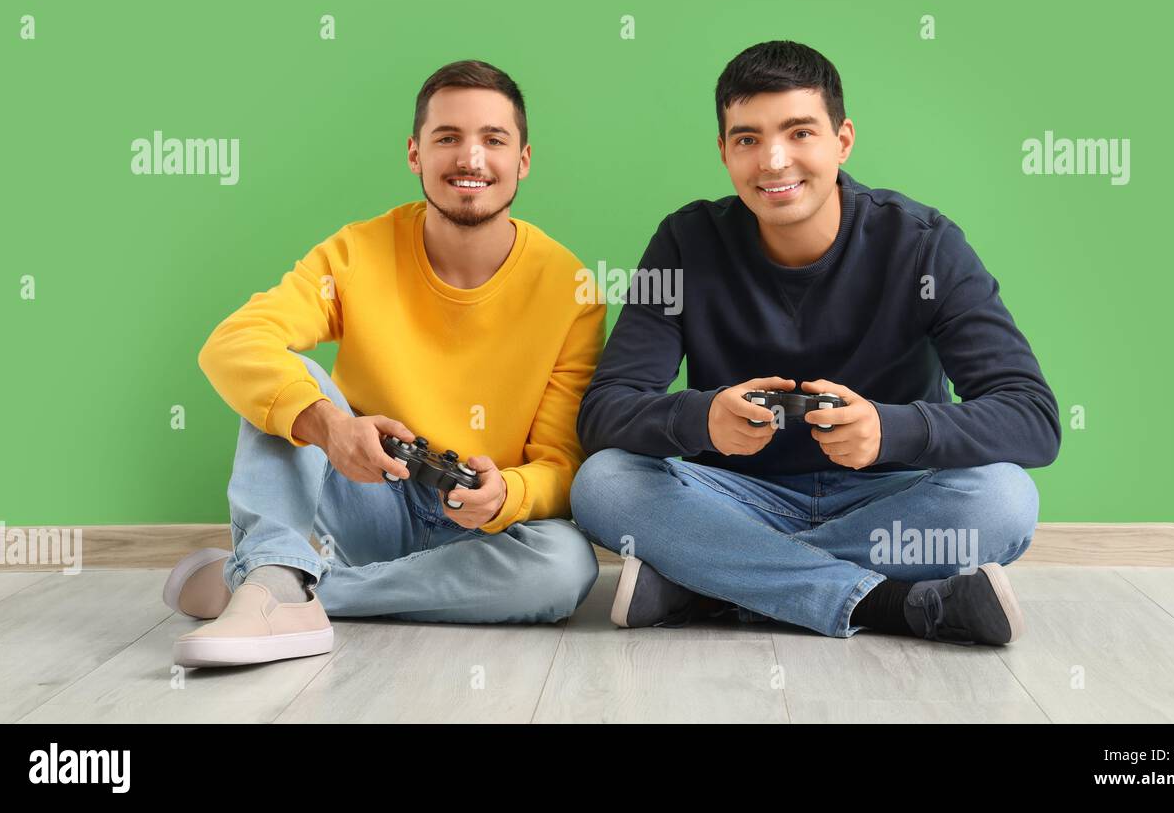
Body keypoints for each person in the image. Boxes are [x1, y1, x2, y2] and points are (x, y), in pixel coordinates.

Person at [571, 40, 1060, 647]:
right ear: (723, 151)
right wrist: (702, 418)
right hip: (733, 496)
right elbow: (603, 412)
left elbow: (1033, 419)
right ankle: (885, 602)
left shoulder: (924, 244)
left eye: (800, 132)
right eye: (747, 139)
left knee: (1005, 499)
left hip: (890, 497)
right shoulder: (685, 241)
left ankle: (710, 586)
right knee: (603, 483)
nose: (774, 161)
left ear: (842, 140)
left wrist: (891, 429)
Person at [166, 60, 605, 668]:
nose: (470, 159)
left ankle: (275, 584)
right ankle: (273, 575)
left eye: (493, 140)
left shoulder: (570, 288)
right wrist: (331, 426)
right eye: (447, 138)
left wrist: (510, 493)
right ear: (414, 154)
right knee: (296, 387)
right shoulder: (358, 251)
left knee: (566, 566)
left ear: (523, 160)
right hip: (369, 495)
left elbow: (562, 463)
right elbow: (234, 341)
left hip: (480, 527)